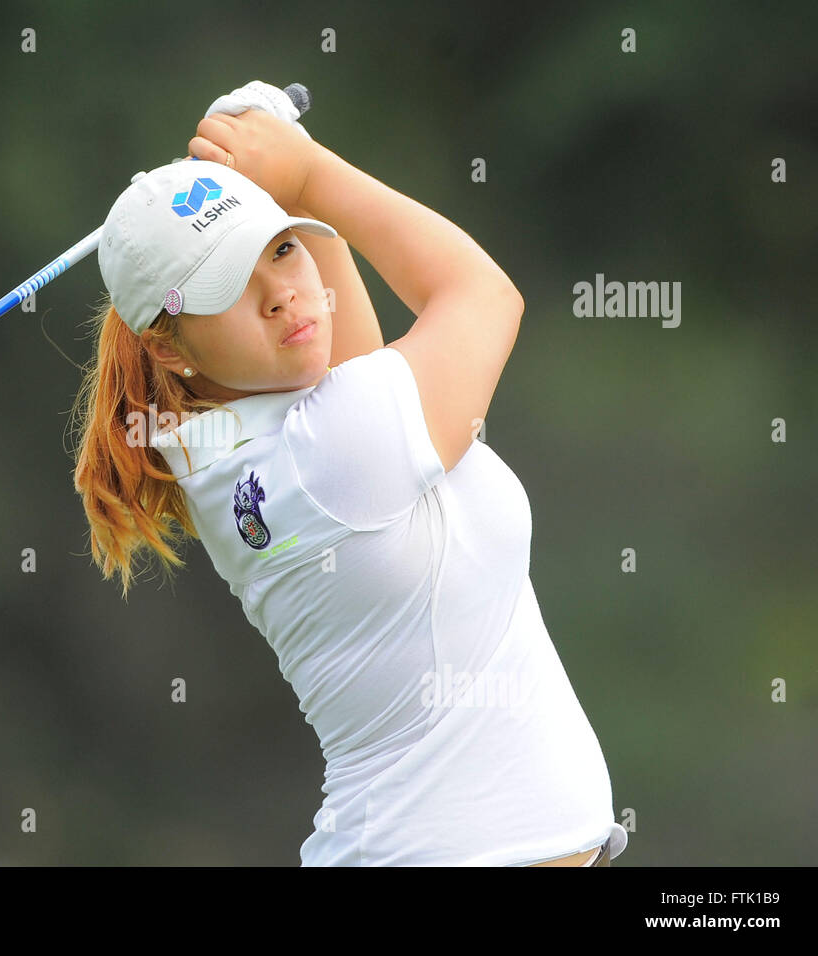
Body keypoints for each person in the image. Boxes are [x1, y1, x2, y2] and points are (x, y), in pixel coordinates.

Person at [71, 85, 627, 867]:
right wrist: (309, 170)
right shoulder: (325, 452)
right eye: (228, 286)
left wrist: (290, 173)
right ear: (171, 348)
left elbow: (346, 353)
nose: (279, 295)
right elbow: (483, 296)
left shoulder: (244, 442)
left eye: (281, 248)